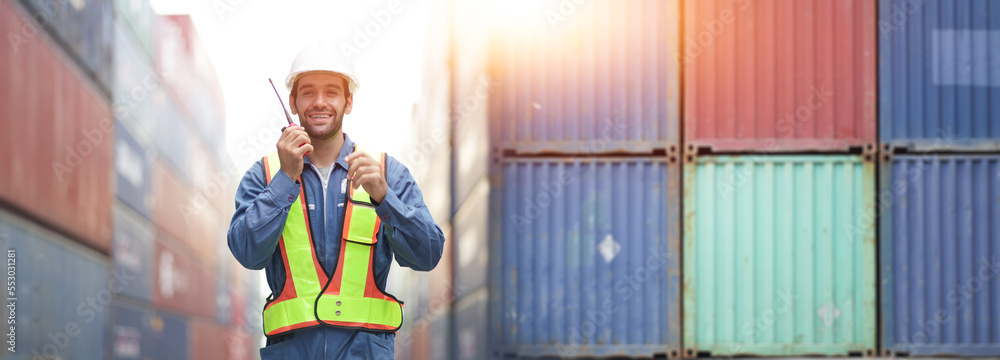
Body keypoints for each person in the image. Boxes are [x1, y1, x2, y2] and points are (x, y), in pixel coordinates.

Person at [228, 43, 445, 359]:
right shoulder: (265, 175)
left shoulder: (387, 174)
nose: (319, 102)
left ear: (348, 102)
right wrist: (285, 179)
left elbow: (427, 255)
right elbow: (248, 253)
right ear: (292, 102)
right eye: (308, 92)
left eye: (331, 92)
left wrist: (385, 198)